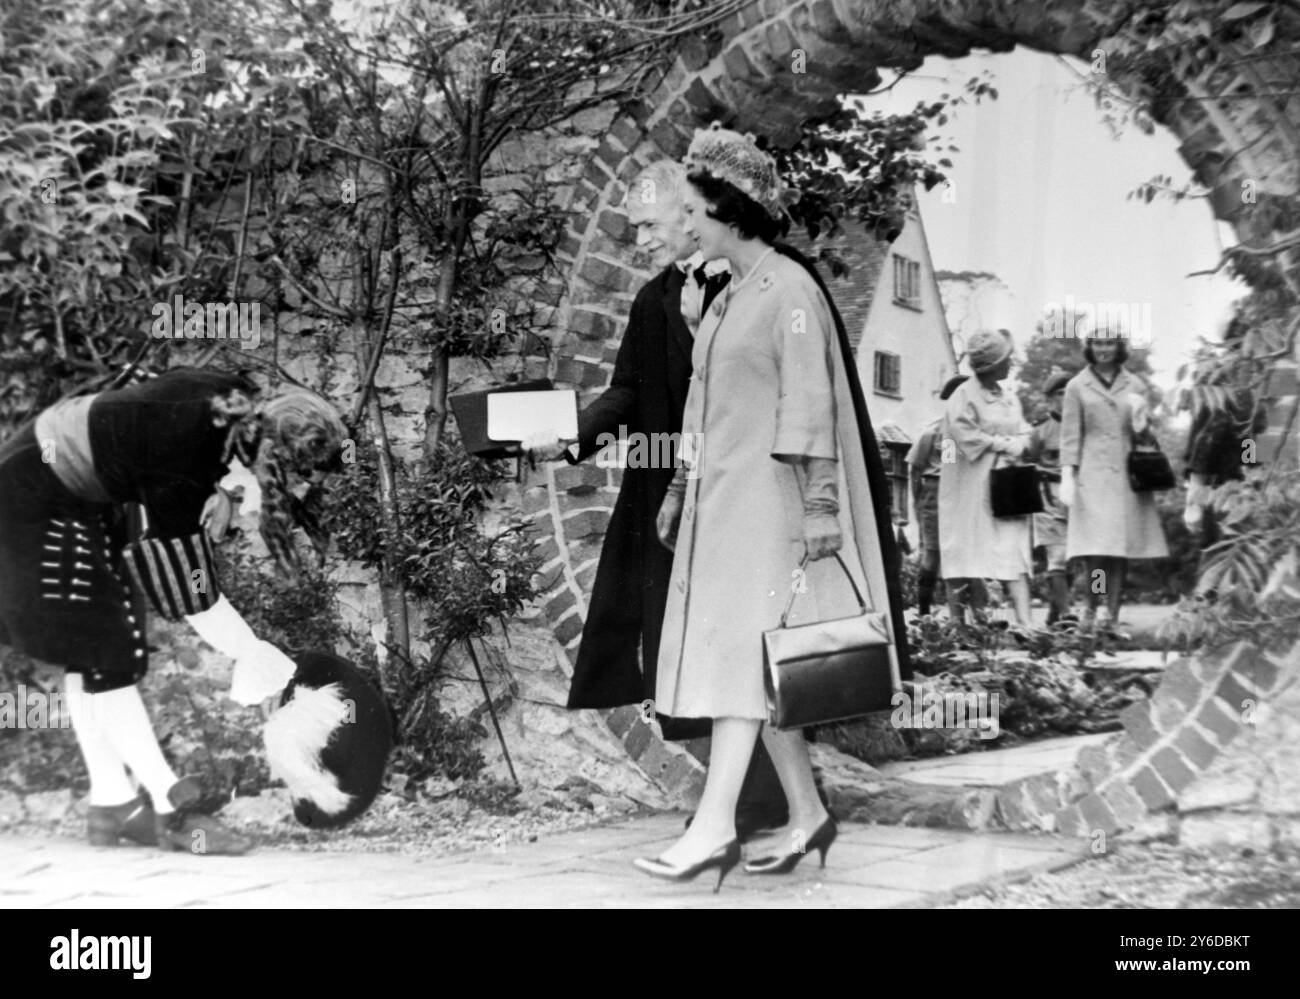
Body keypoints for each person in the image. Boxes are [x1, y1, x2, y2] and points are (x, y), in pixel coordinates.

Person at [635, 125, 908, 889]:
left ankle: (713, 828)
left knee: (737, 660)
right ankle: (809, 814)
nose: (683, 224)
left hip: (778, 507)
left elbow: (809, 405)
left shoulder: (790, 291)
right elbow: (705, 402)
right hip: (727, 504)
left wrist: (822, 507)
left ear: (729, 212)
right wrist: (680, 487)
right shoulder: (723, 298)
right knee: (759, 662)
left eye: (692, 211)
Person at [525, 160, 789, 838]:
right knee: (668, 656)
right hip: (665, 503)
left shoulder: (762, 284)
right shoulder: (651, 299)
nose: (637, 238)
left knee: (740, 646)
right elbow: (627, 392)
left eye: (647, 224)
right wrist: (567, 437)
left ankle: (759, 797)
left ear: (691, 214)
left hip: (738, 494)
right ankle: (753, 794)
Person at [0, 368, 348, 854]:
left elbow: (173, 423)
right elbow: (191, 592)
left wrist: (223, 491)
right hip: (34, 495)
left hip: (57, 480)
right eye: (291, 480)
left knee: (98, 648)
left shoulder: (233, 399)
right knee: (108, 648)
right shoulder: (181, 458)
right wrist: (254, 654)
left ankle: (112, 803)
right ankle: (171, 809)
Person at [1059, 328, 1169, 631]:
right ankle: (1091, 609)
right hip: (1092, 475)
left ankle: (1112, 615)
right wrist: (1067, 474)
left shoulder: (1135, 384)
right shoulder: (1076, 386)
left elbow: (1147, 437)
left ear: (1119, 346)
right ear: (1089, 346)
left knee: (1120, 550)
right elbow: (1070, 435)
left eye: (1109, 343)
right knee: (1096, 549)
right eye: (1097, 343)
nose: (1103, 349)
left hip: (1125, 476)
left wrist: (1141, 419)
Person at [939, 330, 1034, 627]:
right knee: (964, 549)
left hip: (1008, 484)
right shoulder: (963, 396)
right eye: (1006, 359)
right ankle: (961, 624)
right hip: (968, 486)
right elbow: (965, 438)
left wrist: (1022, 441)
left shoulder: (1008, 397)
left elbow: (1021, 428)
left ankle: (1025, 624)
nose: (1011, 363)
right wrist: (1004, 444)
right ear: (992, 364)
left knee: (1012, 547)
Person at [907, 374, 975, 618]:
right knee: (933, 555)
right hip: (937, 491)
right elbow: (915, 470)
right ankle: (924, 614)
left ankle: (966, 618)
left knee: (964, 556)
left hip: (966, 494)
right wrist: (917, 505)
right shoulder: (936, 431)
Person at [1024, 369, 1074, 625]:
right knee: (1057, 559)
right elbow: (1028, 462)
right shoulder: (1041, 431)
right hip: (1050, 496)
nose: (1065, 399)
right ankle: (1066, 616)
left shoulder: (1086, 428)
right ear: (1051, 398)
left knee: (1091, 560)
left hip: (1083, 498)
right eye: (1059, 394)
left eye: (1069, 394)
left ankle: (1096, 604)